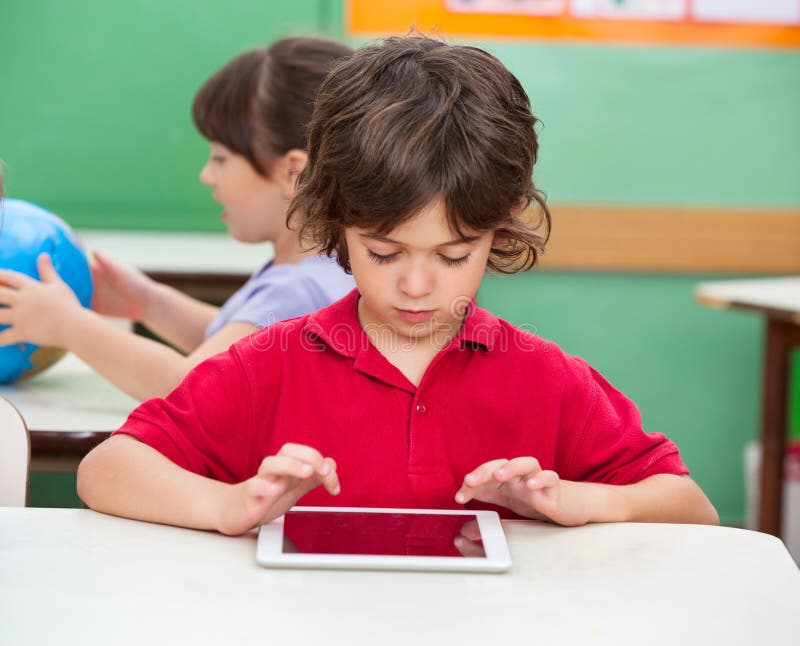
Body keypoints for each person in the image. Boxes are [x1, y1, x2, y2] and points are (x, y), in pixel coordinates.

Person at [77, 35, 719, 535]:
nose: (417, 285)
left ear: (498, 233)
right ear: (337, 227)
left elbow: (691, 508)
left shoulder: (545, 378)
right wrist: (228, 503)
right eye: (384, 252)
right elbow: (107, 470)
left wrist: (575, 501)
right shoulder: (269, 365)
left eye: (453, 254)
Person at [0, 37, 355, 401]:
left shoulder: (299, 291)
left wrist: (68, 325)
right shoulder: (323, 273)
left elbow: (192, 388)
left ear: (293, 173)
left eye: (220, 159)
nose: (207, 175)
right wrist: (152, 304)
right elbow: (237, 346)